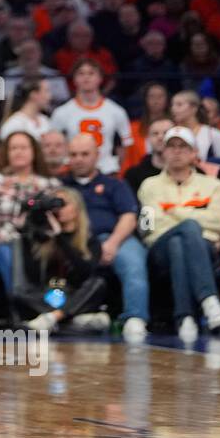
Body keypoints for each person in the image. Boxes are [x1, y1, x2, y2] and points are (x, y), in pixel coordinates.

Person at [137, 126, 220, 340]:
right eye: (171, 146)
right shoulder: (149, 186)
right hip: (159, 249)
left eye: (183, 147)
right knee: (188, 229)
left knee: (179, 244)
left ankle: (185, 317)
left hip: (205, 248)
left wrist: (173, 212)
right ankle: (209, 301)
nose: (177, 151)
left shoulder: (214, 186)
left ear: (194, 153)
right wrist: (194, 220)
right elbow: (148, 226)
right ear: (163, 152)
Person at [62, 133, 151, 341]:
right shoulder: (62, 187)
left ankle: (135, 318)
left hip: (114, 237)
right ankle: (63, 316)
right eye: (74, 154)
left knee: (133, 262)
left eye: (85, 154)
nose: (79, 159)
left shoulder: (114, 184)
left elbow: (129, 216)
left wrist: (112, 243)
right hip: (73, 241)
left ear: (97, 155)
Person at [0, 131, 60, 296]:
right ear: (6, 153)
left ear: (34, 151)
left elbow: (54, 218)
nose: (18, 152)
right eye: (13, 148)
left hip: (39, 242)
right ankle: (19, 301)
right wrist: (16, 235)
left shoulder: (50, 184)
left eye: (23, 148)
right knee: (13, 250)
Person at [14, 187, 112, 333]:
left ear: (77, 209)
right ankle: (70, 321)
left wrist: (60, 237)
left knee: (98, 283)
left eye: (62, 204)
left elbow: (85, 273)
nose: (58, 209)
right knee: (19, 293)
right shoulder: (44, 237)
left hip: (76, 294)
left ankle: (52, 319)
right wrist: (26, 235)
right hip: (50, 295)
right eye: (53, 205)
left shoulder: (90, 241)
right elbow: (32, 277)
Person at [48, 60, 132, 175]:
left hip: (107, 171)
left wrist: (117, 170)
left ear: (100, 78)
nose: (86, 77)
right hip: (72, 172)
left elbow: (125, 146)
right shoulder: (61, 112)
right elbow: (53, 144)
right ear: (74, 79)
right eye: (81, 73)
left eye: (91, 73)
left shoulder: (116, 111)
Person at [125, 118, 173, 196]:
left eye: (165, 133)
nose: (160, 137)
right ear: (148, 138)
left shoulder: (187, 172)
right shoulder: (133, 175)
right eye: (155, 133)